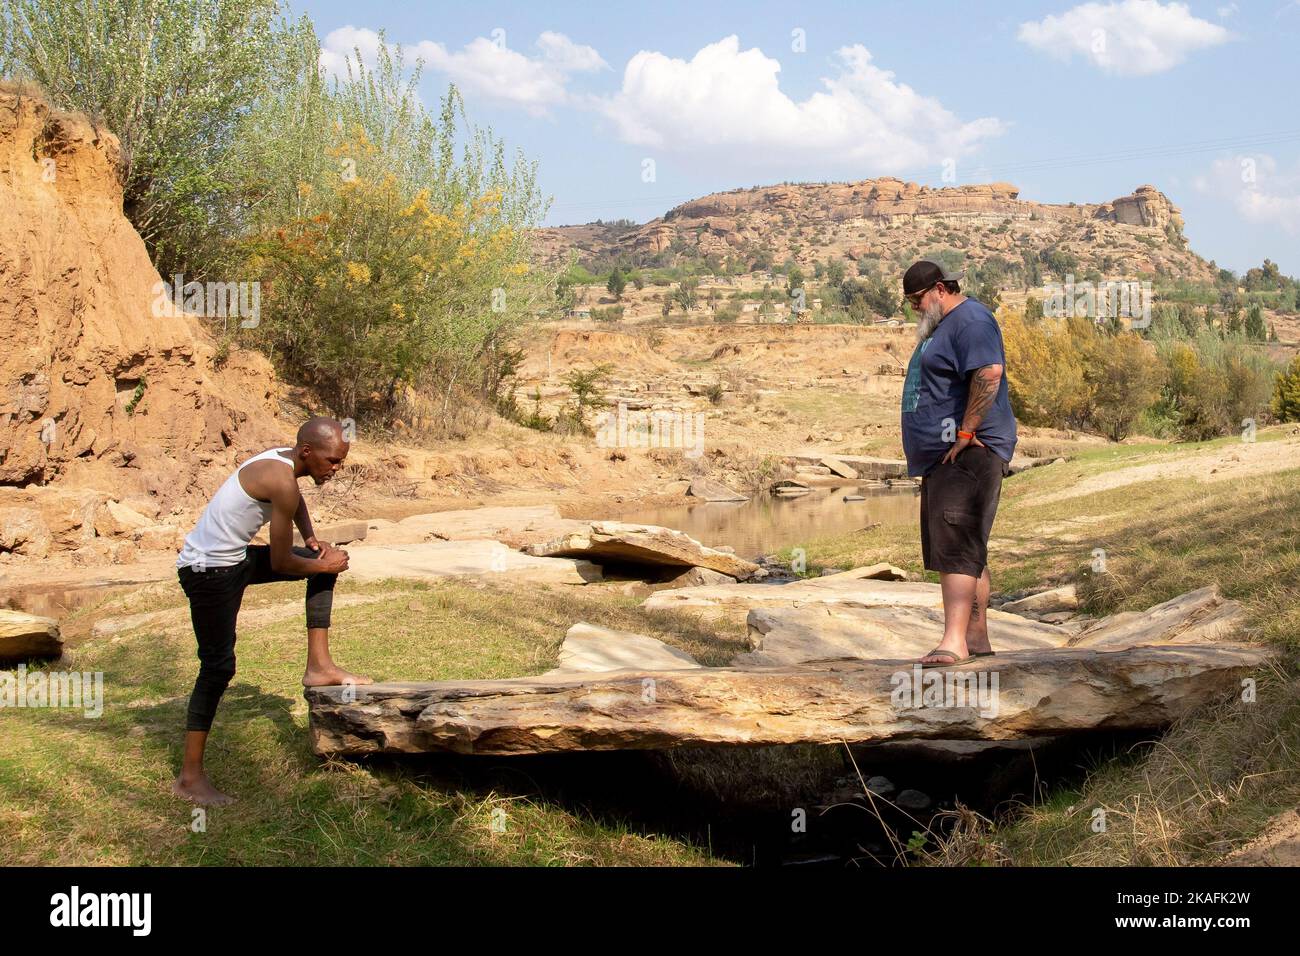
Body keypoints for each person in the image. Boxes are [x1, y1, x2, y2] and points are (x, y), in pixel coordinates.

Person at [172, 416, 372, 805]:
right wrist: (321, 563)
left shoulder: (283, 461)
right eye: (332, 461)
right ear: (307, 452)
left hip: (235, 559)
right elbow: (281, 562)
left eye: (340, 462)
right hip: (208, 572)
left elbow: (295, 500)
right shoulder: (281, 480)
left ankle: (319, 667)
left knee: (325, 561)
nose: (336, 469)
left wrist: (312, 540)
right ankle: (189, 779)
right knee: (217, 668)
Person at [899, 260, 1018, 668]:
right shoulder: (944, 325)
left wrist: (966, 433)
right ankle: (976, 639)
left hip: (968, 451)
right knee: (967, 549)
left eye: (917, 299)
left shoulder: (971, 319)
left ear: (939, 288)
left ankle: (953, 642)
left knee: (956, 549)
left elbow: (989, 372)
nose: (915, 307)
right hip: (944, 454)